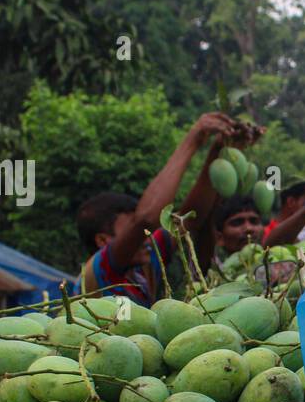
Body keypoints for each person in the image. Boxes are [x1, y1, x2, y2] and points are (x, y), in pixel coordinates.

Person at [76, 112, 236, 304]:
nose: (146, 237)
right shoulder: (99, 273)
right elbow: (147, 219)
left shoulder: (144, 265)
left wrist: (218, 151)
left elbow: (189, 218)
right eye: (134, 230)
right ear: (103, 240)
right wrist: (193, 139)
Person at [212, 194, 264, 260]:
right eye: (237, 223)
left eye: (254, 221)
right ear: (220, 237)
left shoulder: (275, 265)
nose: (248, 228)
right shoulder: (208, 268)